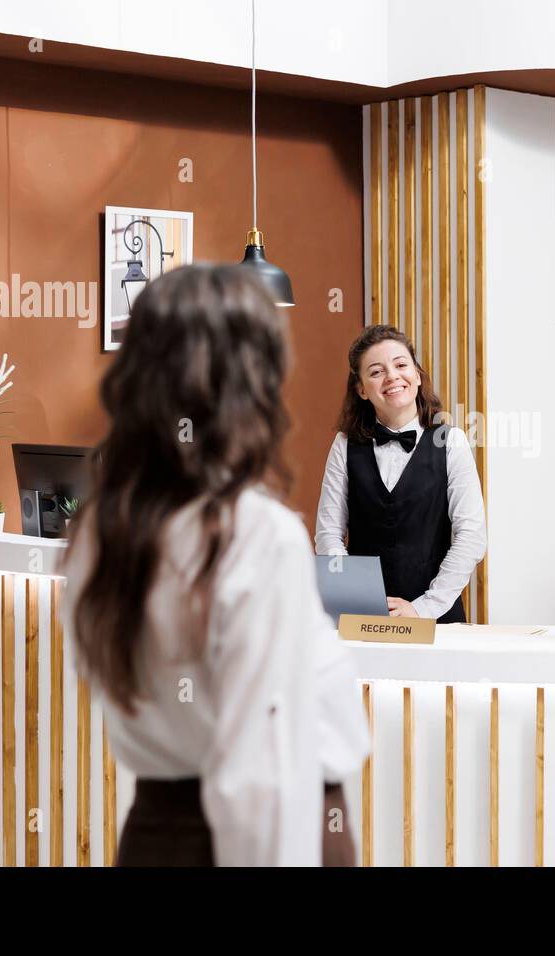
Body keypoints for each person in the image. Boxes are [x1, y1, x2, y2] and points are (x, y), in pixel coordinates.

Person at [64, 265, 370, 866]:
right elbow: (257, 781)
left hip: (152, 837)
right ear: (246, 384)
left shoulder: (97, 533)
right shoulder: (257, 534)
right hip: (259, 842)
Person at [315, 325, 486, 623]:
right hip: (363, 619)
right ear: (361, 389)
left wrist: (423, 607)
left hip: (437, 618)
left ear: (417, 376)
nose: (392, 376)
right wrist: (356, 597)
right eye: (376, 371)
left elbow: (471, 536)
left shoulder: (452, 442)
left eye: (401, 365)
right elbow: (328, 534)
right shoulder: (344, 446)